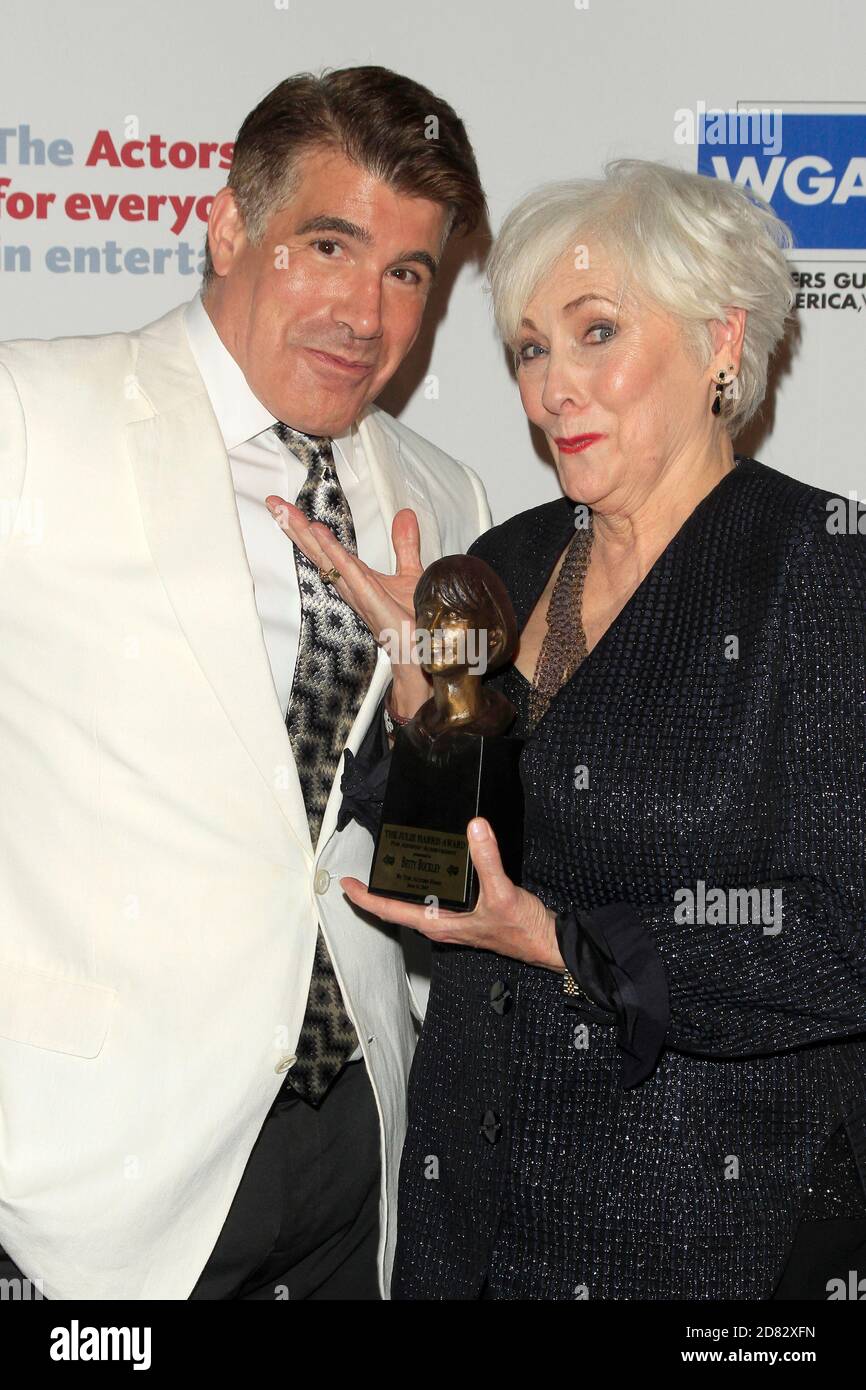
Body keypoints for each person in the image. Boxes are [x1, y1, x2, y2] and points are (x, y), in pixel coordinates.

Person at [310, 159, 866, 1299]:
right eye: (527, 348)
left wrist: (567, 943)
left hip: (703, 1236)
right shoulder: (505, 562)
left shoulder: (817, 569)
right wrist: (420, 702)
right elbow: (436, 863)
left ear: (721, 341)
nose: (550, 388)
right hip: (463, 1210)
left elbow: (840, 937)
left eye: (594, 332)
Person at [0, 65, 491, 1300]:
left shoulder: (443, 499)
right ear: (227, 226)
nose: (365, 313)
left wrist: (442, 732)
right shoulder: (32, 415)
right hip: (86, 1157)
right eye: (328, 245)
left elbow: (411, 856)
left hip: (353, 1130)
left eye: (406, 273)